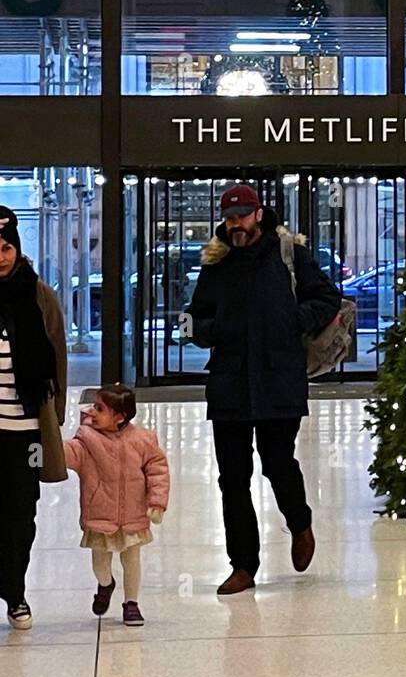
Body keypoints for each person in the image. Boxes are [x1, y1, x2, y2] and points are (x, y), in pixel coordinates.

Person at [187, 184, 341, 595]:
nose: (235, 224)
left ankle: (300, 523)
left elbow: (328, 297)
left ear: (258, 214)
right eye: (229, 217)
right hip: (229, 383)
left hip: (278, 379)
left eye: (242, 215)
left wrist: (294, 319)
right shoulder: (216, 263)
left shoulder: (289, 254)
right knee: (232, 479)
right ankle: (243, 565)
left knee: (278, 463)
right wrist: (209, 331)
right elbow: (195, 317)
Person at [0, 205, 68, 631]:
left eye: (5, 248)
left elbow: (57, 358)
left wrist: (54, 420)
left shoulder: (40, 295)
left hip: (26, 429)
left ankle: (15, 591)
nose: (0, 257)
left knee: (22, 512)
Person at [63, 384, 170, 627]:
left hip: (134, 515)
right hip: (100, 515)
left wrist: (157, 502)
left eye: (99, 408)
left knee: (131, 560)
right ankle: (105, 584)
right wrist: (38, 447)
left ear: (119, 417)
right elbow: (67, 453)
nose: (92, 411)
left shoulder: (143, 440)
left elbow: (158, 471)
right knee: (100, 563)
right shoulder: (86, 441)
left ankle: (131, 603)